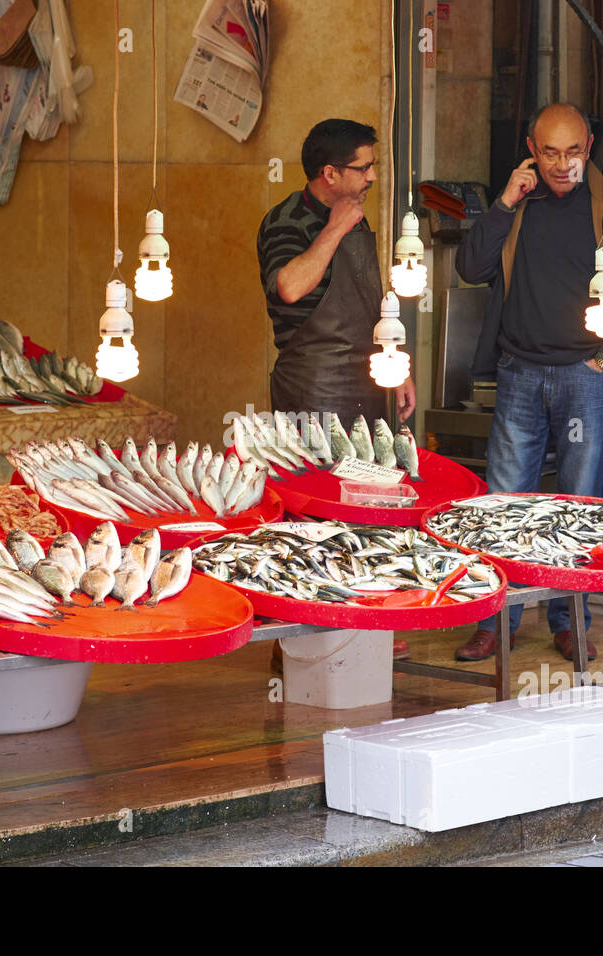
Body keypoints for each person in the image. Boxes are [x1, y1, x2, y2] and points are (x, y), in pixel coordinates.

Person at [452, 102, 603, 664]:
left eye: (573, 152)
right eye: (551, 153)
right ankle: (496, 623)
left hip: (585, 377)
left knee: (576, 505)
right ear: (531, 149)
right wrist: (503, 202)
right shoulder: (520, 206)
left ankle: (569, 619)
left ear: (589, 148)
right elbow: (470, 269)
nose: (563, 165)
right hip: (519, 373)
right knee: (504, 506)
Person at [257, 118, 417, 663]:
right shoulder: (287, 221)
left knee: (372, 507)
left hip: (370, 378)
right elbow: (289, 285)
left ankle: (366, 629)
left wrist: (397, 363)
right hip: (314, 383)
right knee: (316, 512)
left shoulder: (360, 219)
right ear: (330, 173)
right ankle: (307, 638)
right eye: (363, 167)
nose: (373, 176)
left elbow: (372, 301)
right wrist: (334, 228)